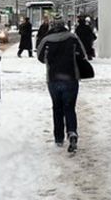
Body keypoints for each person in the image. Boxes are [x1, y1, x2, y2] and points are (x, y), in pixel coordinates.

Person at [37, 20, 88, 153]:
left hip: (53, 78)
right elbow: (83, 54)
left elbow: (40, 56)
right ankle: (72, 132)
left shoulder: (46, 39)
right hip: (71, 77)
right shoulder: (72, 37)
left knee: (57, 107)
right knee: (70, 107)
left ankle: (59, 138)